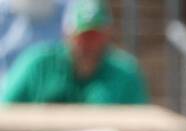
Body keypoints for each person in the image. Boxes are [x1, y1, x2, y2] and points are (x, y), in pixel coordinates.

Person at [0, 0, 147, 105]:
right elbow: (6, 111)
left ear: (108, 36)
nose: (90, 45)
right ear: (67, 36)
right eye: (83, 37)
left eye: (96, 36)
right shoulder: (38, 65)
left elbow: (141, 127)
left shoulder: (126, 74)